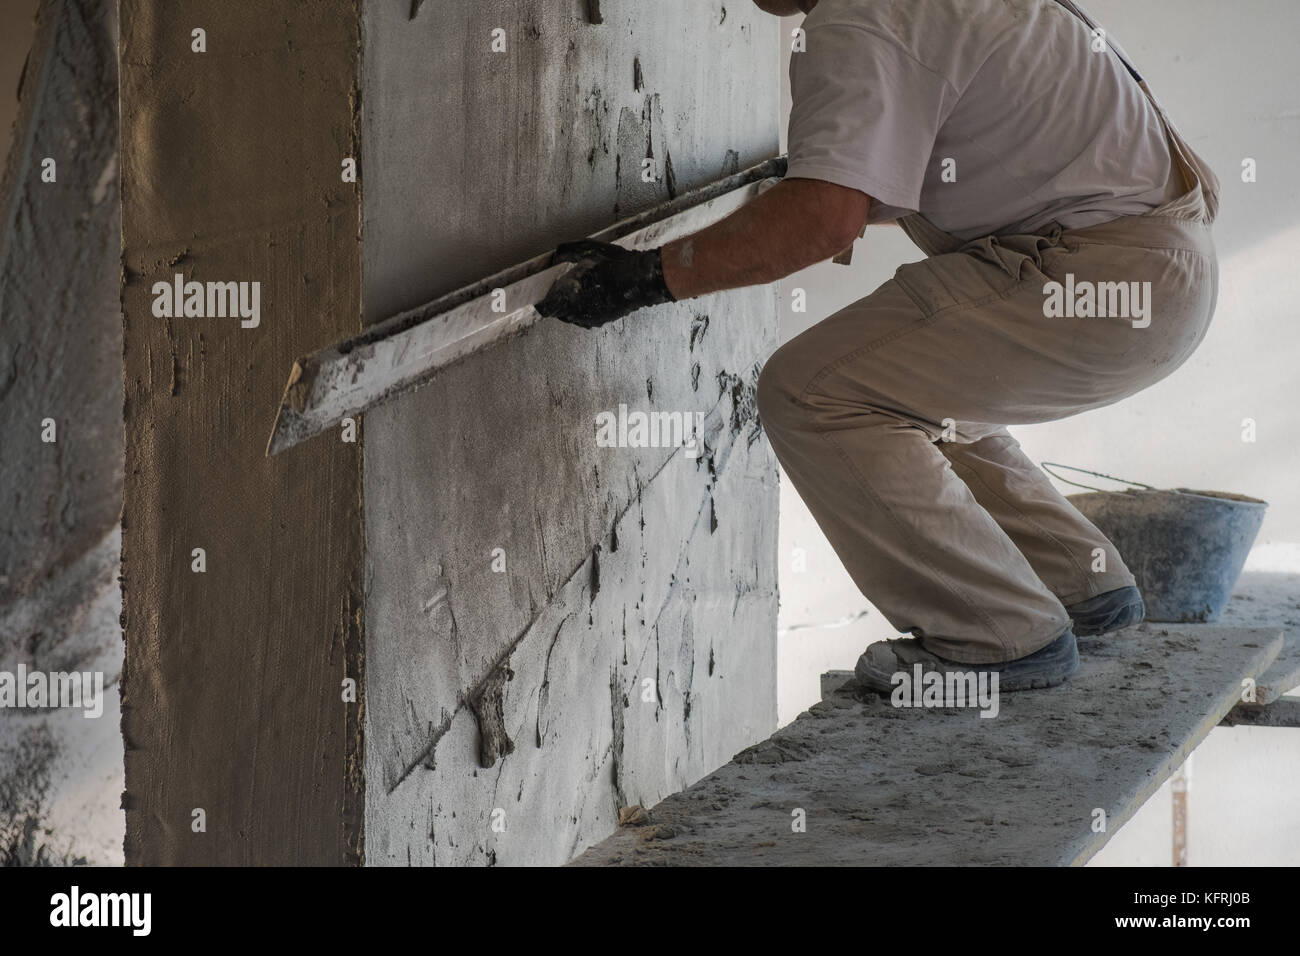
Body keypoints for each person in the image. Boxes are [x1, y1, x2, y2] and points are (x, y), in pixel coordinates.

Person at [537, 0, 1219, 696]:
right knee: (900, 384)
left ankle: (1001, 636)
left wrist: (645, 278)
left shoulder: (856, 15)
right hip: (1160, 275)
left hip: (1106, 276)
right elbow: (888, 179)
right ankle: (1077, 583)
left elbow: (824, 221)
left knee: (814, 391)